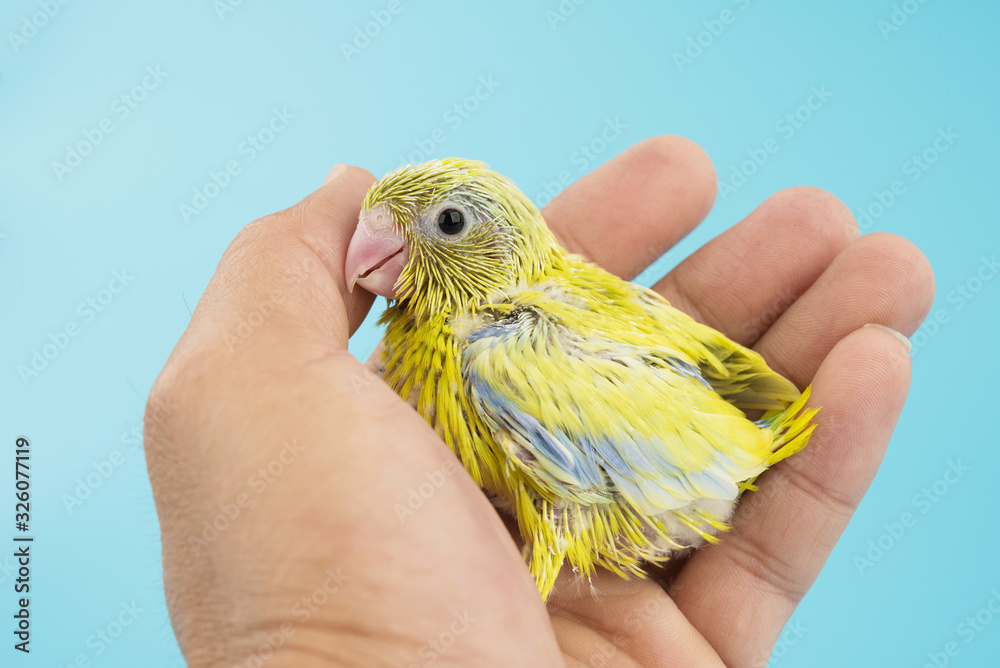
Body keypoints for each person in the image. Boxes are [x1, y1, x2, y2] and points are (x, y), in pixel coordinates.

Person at [144, 136, 933, 667]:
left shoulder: (497, 347)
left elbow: (577, 481)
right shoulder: (449, 346)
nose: (378, 246)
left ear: (495, 243)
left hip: (683, 470)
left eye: (446, 224)